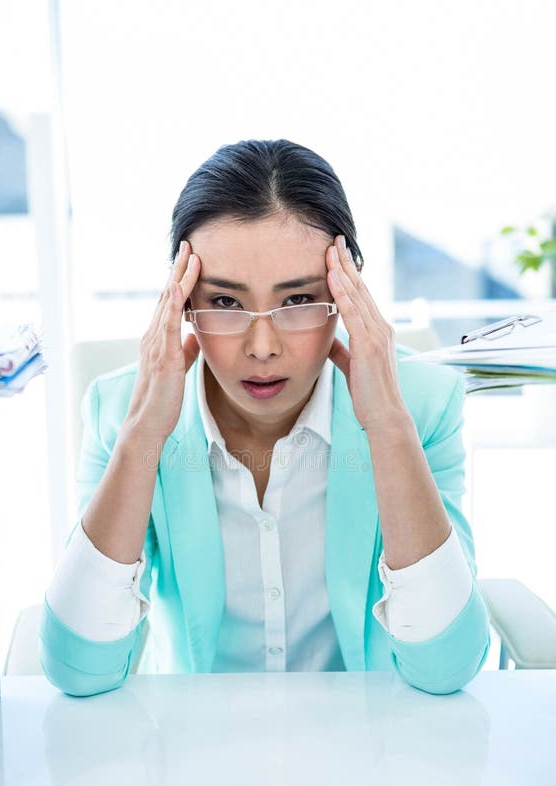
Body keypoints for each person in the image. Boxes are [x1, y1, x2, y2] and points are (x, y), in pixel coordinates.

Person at [39, 138, 490, 697]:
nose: (261, 346)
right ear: (181, 303)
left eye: (298, 300)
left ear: (347, 294)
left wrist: (388, 428)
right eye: (225, 303)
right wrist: (142, 441)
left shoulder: (421, 406)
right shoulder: (119, 414)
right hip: (195, 746)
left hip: (368, 747)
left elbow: (446, 668)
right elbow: (79, 670)